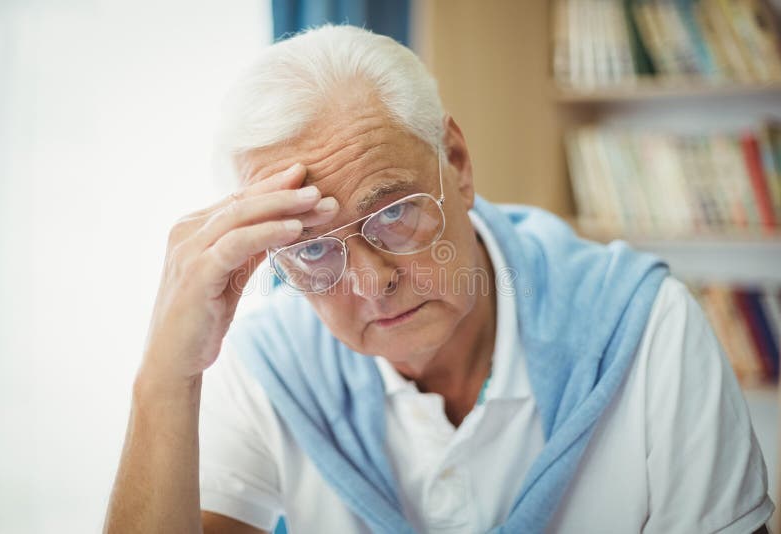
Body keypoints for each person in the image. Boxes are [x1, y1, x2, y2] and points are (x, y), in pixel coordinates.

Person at [104, 24, 774, 534]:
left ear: (456, 162)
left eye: (394, 212)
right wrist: (165, 378)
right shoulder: (265, 364)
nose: (369, 283)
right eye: (310, 251)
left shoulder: (648, 325)